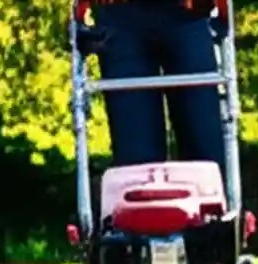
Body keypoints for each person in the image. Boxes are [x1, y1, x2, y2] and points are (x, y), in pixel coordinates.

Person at [87, 0, 227, 175]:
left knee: (204, 151)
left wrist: (223, 13)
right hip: (118, 15)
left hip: (191, 12)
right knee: (136, 163)